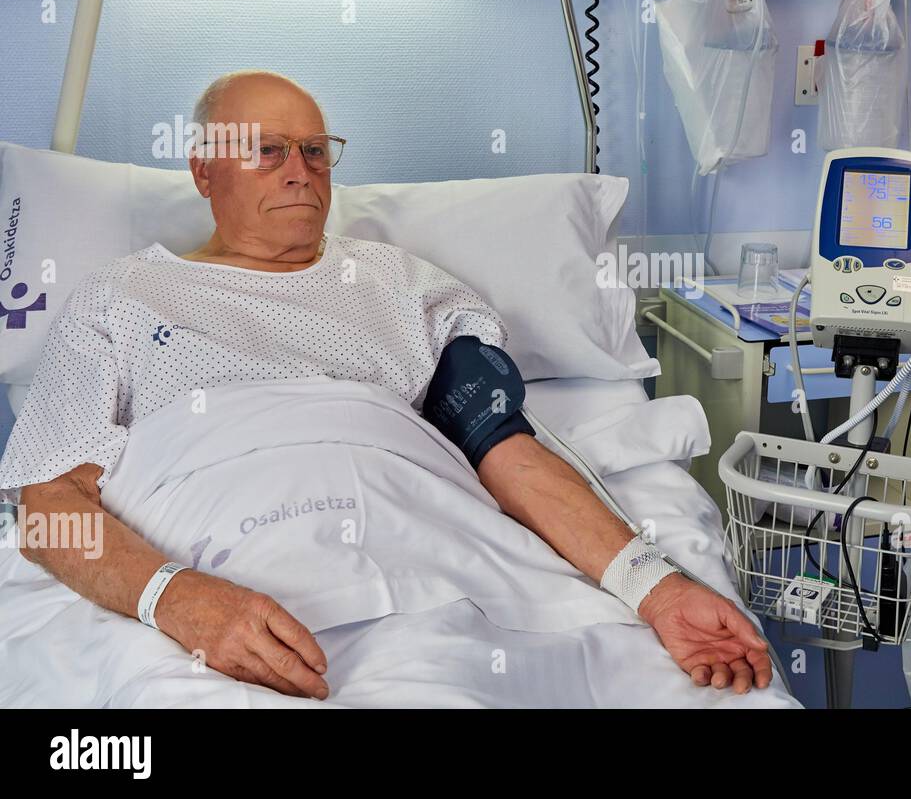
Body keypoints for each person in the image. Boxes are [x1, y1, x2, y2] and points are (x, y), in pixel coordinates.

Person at [1, 70, 772, 700]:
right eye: (267, 150)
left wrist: (658, 589)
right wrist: (176, 597)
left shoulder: (402, 285)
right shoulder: (122, 297)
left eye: (314, 150)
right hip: (221, 563)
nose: (300, 170)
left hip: (430, 562)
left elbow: (503, 447)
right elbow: (47, 507)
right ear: (203, 170)